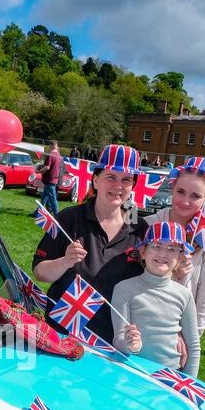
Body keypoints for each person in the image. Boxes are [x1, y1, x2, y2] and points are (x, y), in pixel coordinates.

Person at [32, 143, 148, 342]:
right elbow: (39, 272)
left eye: (126, 180)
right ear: (96, 180)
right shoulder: (69, 219)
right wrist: (65, 261)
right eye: (111, 177)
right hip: (63, 333)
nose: (118, 186)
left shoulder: (140, 228)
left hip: (113, 340)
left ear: (133, 186)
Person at [146, 156, 205, 374]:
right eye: (180, 192)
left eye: (196, 196)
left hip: (181, 340)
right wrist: (173, 276)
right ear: (172, 187)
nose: (185, 201)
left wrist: (188, 338)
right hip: (144, 327)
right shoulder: (149, 226)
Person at [111, 221, 200, 376]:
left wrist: (189, 385)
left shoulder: (184, 295)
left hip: (172, 375)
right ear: (143, 252)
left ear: (180, 257)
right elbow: (118, 338)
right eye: (156, 246)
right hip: (133, 371)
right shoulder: (123, 289)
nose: (163, 254)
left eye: (172, 248)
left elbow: (193, 346)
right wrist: (130, 345)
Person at [39, 140, 63, 213]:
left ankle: (57, 215)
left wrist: (39, 171)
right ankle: (37, 212)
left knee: (53, 199)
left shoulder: (51, 155)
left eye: (50, 146)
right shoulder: (59, 156)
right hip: (53, 179)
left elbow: (47, 167)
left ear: (51, 146)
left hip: (50, 180)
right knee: (43, 198)